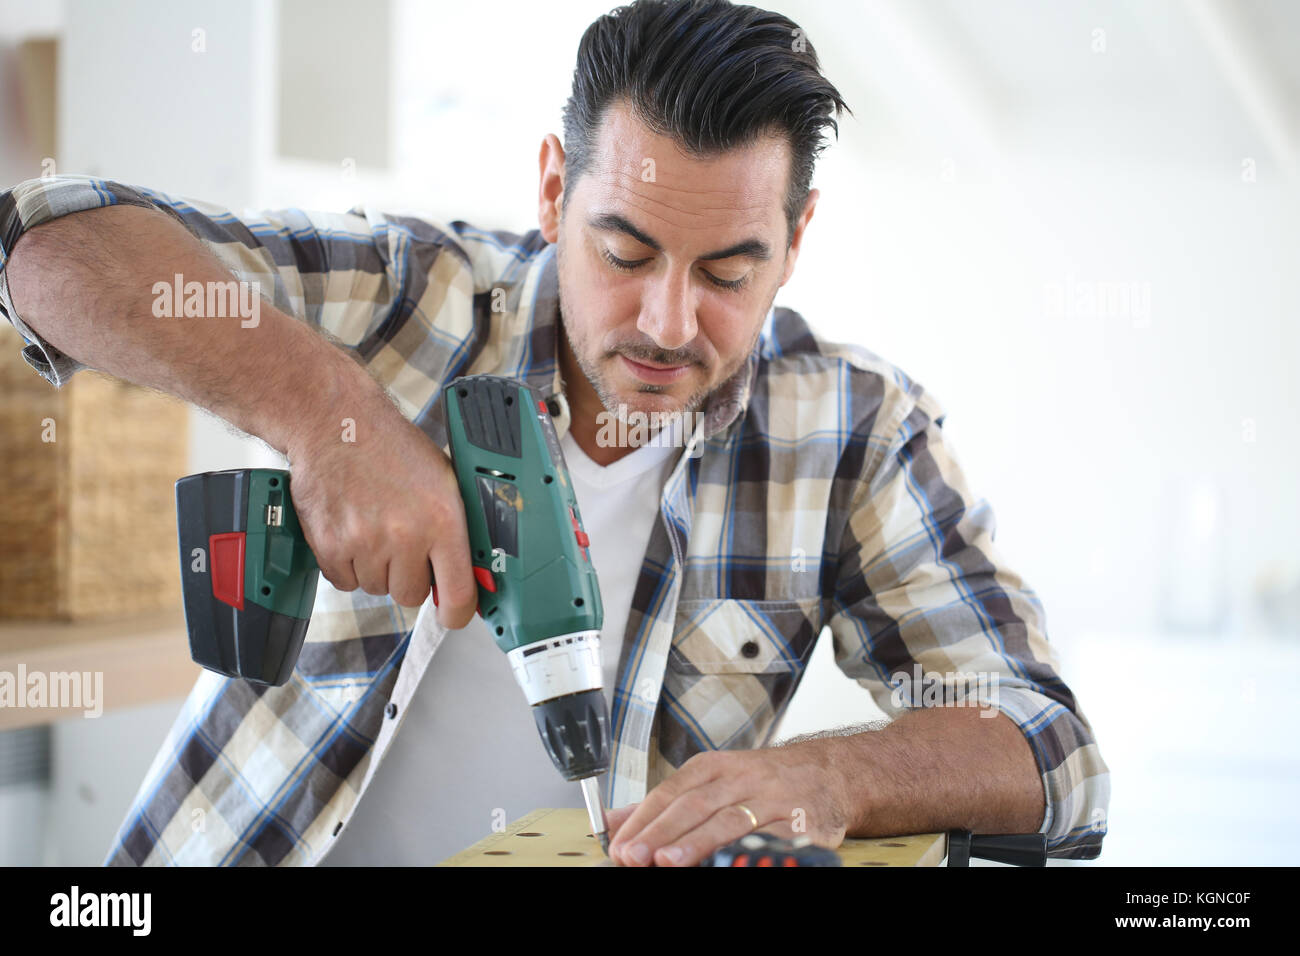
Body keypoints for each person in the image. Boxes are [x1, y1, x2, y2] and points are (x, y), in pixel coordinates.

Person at [0, 0, 1108, 866]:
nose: (670, 322)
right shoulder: (416, 296)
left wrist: (832, 776)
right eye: (624, 253)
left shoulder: (854, 434)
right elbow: (48, 251)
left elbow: (1051, 748)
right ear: (550, 188)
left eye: (730, 270)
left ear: (796, 235)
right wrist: (329, 415)